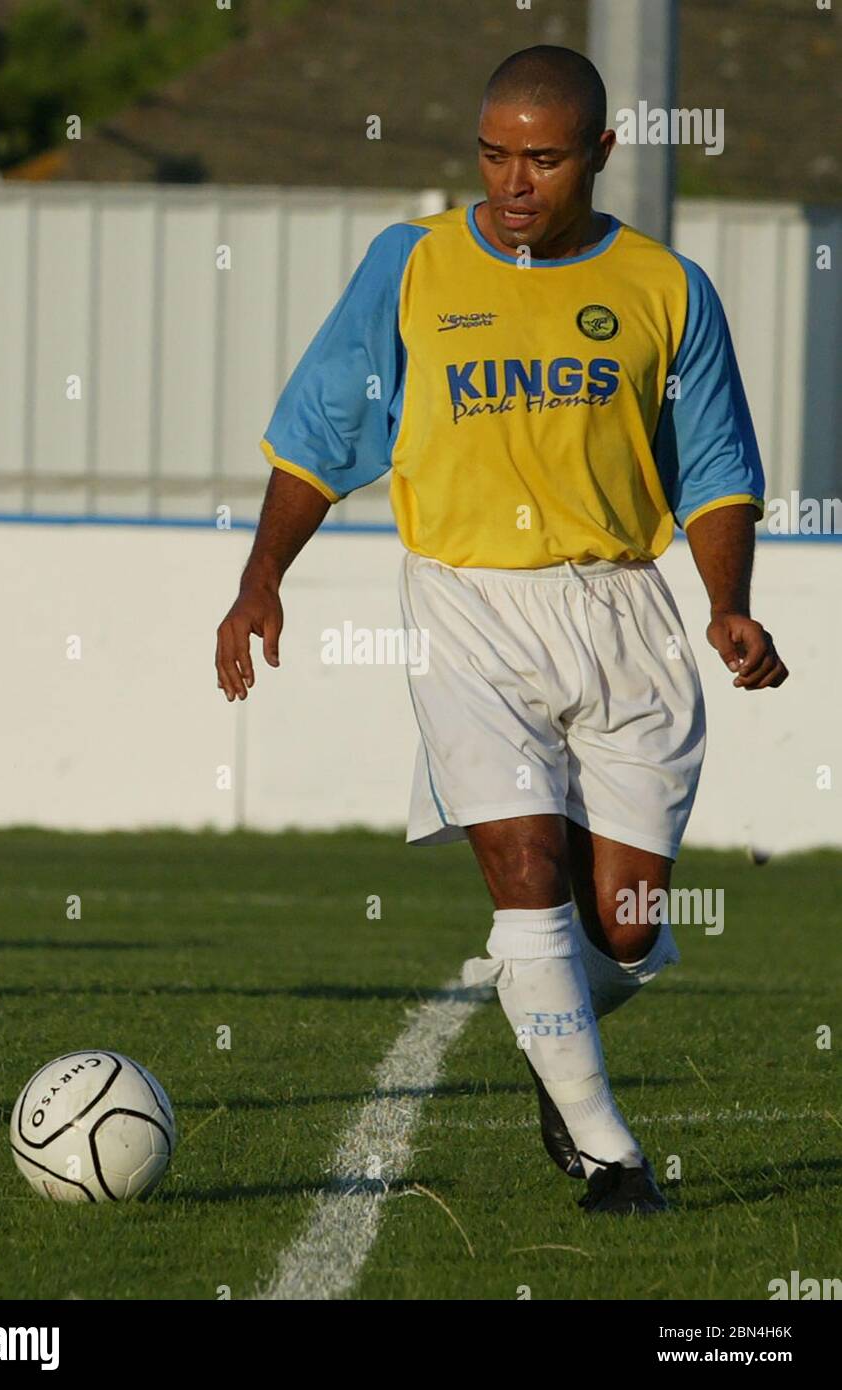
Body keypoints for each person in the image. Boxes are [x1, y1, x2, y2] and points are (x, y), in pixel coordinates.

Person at [215, 45, 789, 1215]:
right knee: (524, 873)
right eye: (493, 152)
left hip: (624, 609)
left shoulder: (665, 287)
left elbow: (718, 468)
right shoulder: (412, 265)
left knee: (626, 930)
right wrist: (260, 578)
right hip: (468, 603)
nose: (512, 179)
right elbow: (323, 431)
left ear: (599, 154)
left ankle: (551, 1022)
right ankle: (612, 1155)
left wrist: (727, 604)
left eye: (541, 156)